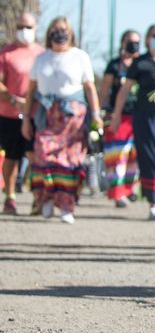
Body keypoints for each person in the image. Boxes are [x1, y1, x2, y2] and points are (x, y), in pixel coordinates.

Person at [20, 17, 102, 223]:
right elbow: (31, 91)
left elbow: (90, 88)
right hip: (46, 115)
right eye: (56, 30)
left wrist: (96, 115)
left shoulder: (80, 57)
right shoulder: (41, 58)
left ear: (71, 33)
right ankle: (45, 198)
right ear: (49, 33)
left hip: (73, 116)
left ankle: (67, 205)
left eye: (63, 30)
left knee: (69, 161)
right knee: (43, 156)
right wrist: (26, 119)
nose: (60, 33)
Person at [110, 24, 155, 221]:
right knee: (151, 157)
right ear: (147, 39)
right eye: (154, 35)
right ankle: (153, 202)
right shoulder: (140, 64)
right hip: (145, 118)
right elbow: (124, 91)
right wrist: (116, 114)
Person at [0, 12, 44, 215]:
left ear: (36, 28)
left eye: (28, 27)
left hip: (36, 115)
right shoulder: (6, 53)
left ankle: (38, 197)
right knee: (11, 157)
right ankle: (10, 198)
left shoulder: (42, 54)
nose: (23, 31)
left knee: (35, 156)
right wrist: (12, 99)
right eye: (20, 27)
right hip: (9, 114)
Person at [99, 30, 141, 208]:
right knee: (117, 154)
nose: (133, 45)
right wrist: (102, 114)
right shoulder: (114, 65)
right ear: (122, 43)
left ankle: (130, 188)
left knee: (135, 155)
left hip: (138, 115)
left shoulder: (141, 65)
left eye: (137, 42)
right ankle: (117, 192)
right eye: (130, 41)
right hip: (118, 116)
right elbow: (104, 90)